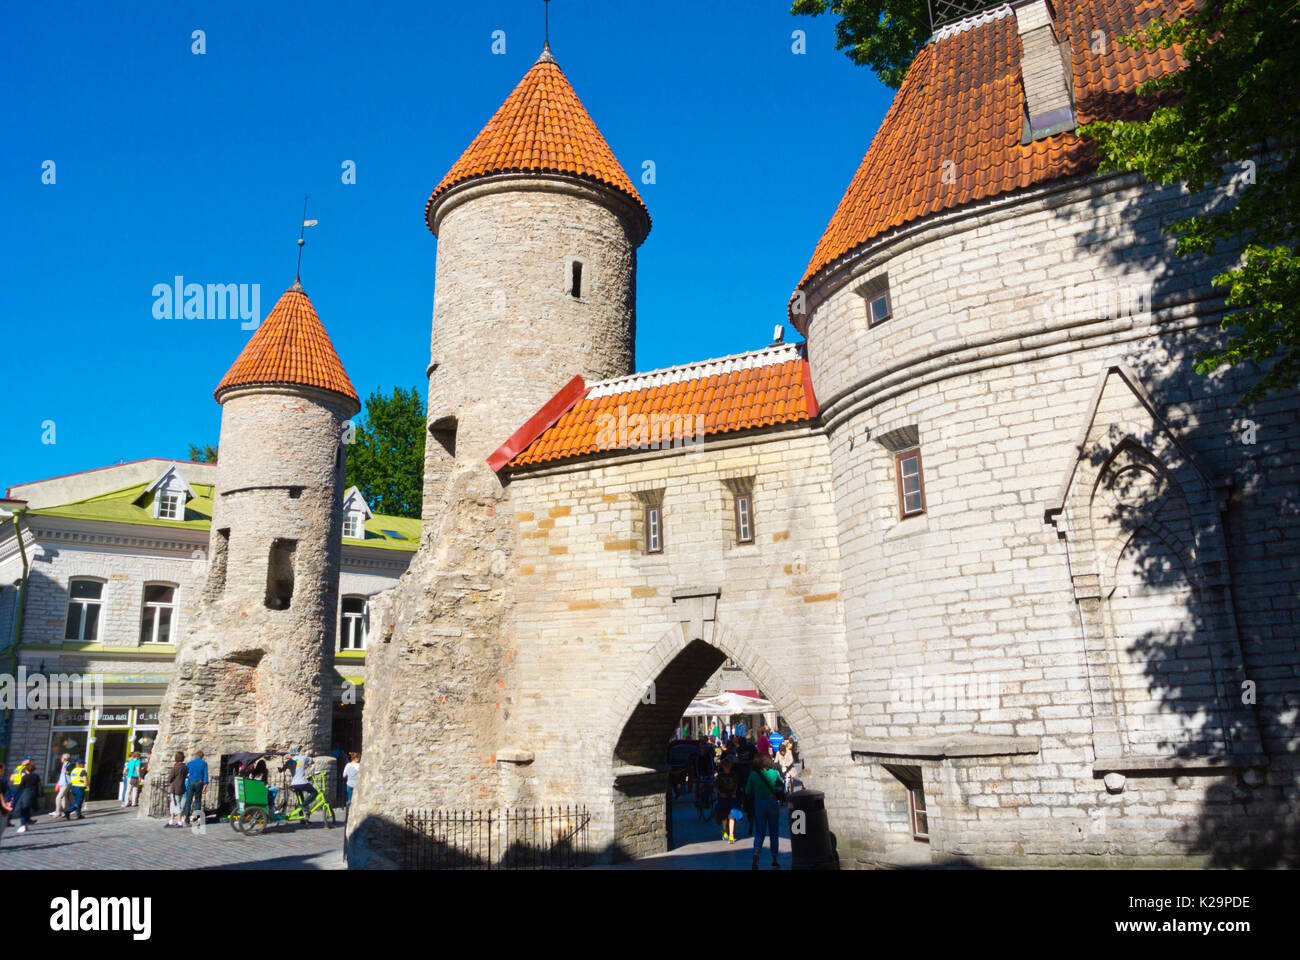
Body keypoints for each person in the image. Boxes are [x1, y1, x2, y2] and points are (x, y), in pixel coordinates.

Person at [744, 753, 785, 869]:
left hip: (759, 803)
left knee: (759, 831)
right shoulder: (774, 773)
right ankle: (774, 858)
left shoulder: (753, 774)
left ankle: (756, 856)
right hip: (772, 802)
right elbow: (780, 786)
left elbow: (748, 792)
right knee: (774, 831)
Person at [714, 757, 740, 843]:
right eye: (725, 765)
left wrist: (734, 793)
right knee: (724, 817)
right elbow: (717, 786)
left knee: (731, 816)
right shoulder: (721, 775)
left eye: (728, 765)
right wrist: (721, 793)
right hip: (724, 797)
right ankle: (725, 832)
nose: (727, 766)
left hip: (730, 797)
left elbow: (736, 785)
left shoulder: (733, 775)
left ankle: (731, 835)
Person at [12, 759, 41, 834]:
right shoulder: (36, 776)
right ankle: (27, 822)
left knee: (23, 809)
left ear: (26, 770)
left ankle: (23, 825)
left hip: (26, 793)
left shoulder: (25, 777)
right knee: (27, 808)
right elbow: (39, 786)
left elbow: (20, 787)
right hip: (33, 794)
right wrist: (38, 794)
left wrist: (14, 796)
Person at [182, 749, 208, 826]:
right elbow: (205, 775)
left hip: (191, 782)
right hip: (199, 782)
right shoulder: (204, 763)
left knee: (188, 801)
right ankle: (196, 818)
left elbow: (186, 774)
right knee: (198, 801)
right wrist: (205, 784)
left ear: (195, 756)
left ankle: (186, 818)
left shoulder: (189, 763)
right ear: (202, 757)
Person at [289, 748, 317, 817]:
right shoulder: (303, 757)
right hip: (302, 782)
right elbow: (312, 761)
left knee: (300, 799)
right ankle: (304, 805)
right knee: (314, 793)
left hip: (294, 784)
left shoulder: (290, 761)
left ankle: (303, 818)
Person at [165, 751, 187, 827]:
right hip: (182, 787)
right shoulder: (185, 767)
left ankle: (179, 822)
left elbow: (170, 778)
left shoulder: (175, 768)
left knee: (176, 805)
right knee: (172, 805)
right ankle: (171, 821)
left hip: (175, 789)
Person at [50, 754, 72, 818]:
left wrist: (67, 772)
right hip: (62, 783)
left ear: (64, 758)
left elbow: (70, 772)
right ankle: (66, 811)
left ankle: (58, 812)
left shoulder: (69, 764)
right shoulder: (64, 764)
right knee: (63, 798)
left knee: (58, 797)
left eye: (61, 757)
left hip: (66, 783)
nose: (61, 759)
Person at [0, 763, 11, 845]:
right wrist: (5, 804)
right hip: (2, 806)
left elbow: (7, 792)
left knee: (2, 825)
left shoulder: (3, 780)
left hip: (2, 806)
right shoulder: (2, 781)